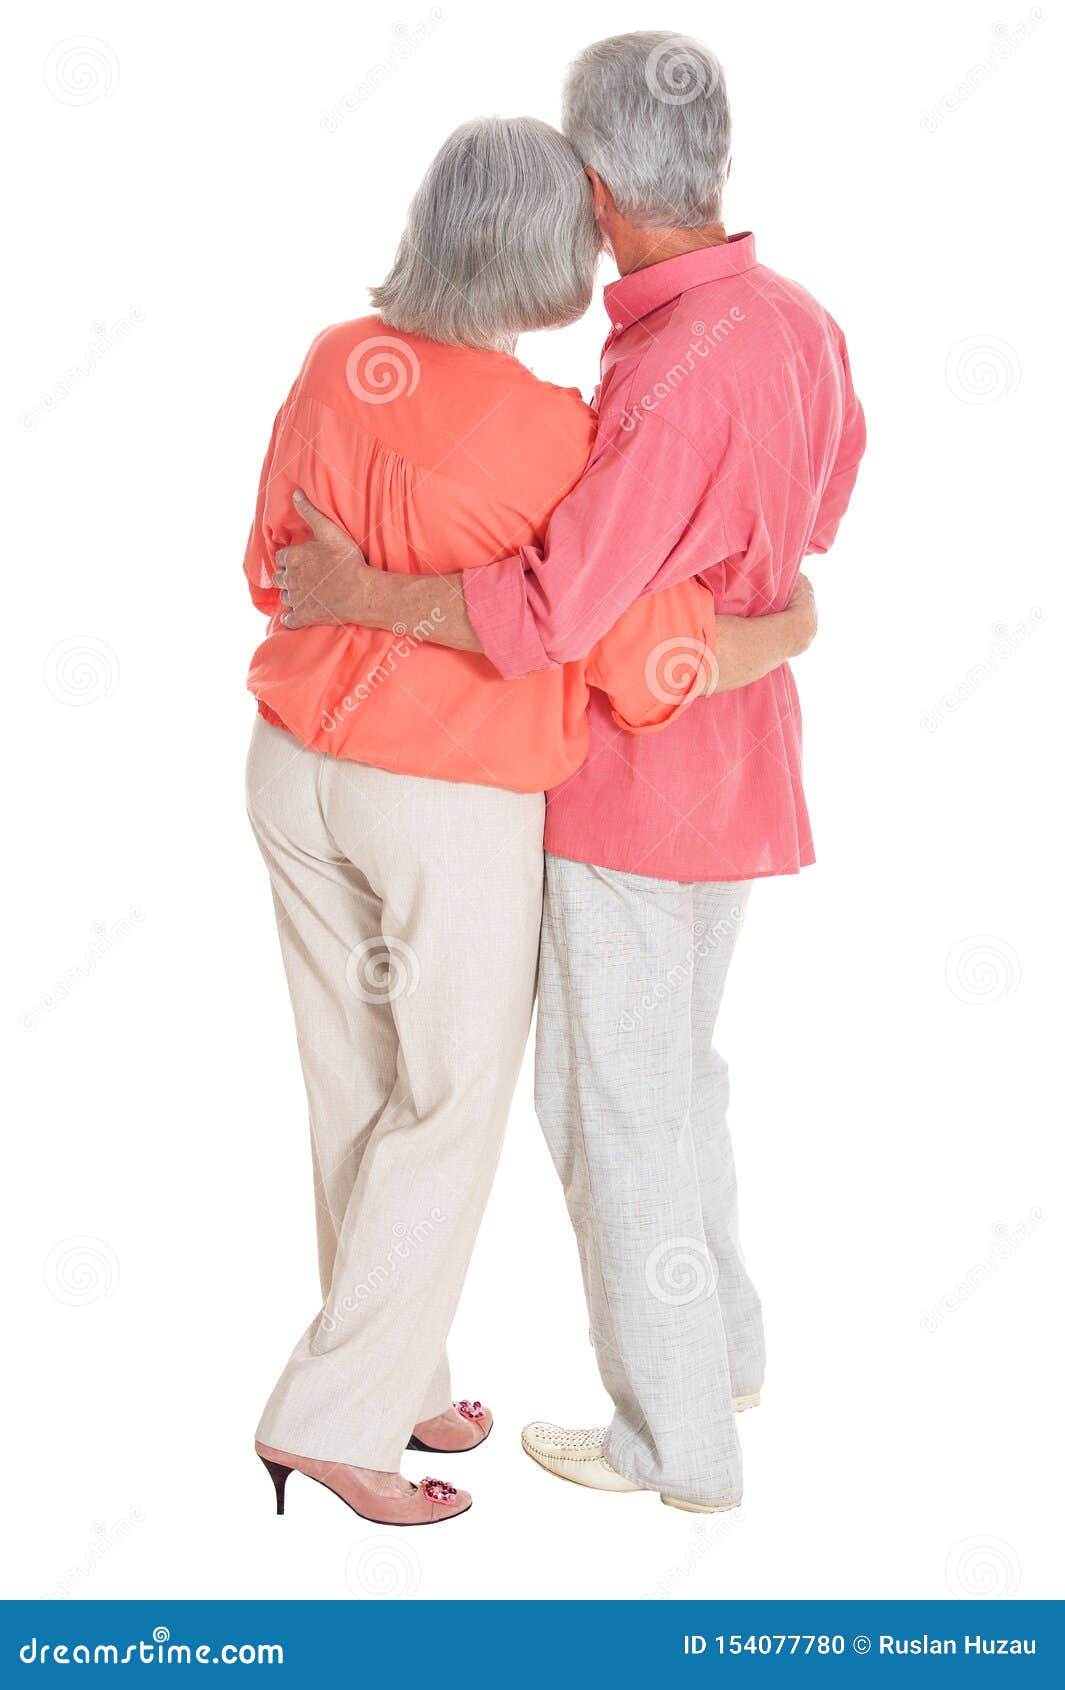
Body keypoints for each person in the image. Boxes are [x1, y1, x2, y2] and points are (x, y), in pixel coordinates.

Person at [275, 32, 865, 1512]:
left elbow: (554, 616)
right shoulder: (793, 320)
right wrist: (776, 617)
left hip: (626, 788)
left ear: (596, 188)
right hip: (730, 770)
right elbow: (822, 501)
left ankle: (676, 1441)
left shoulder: (651, 377)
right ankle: (712, 1348)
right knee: (673, 1081)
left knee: (611, 1108)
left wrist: (359, 593)